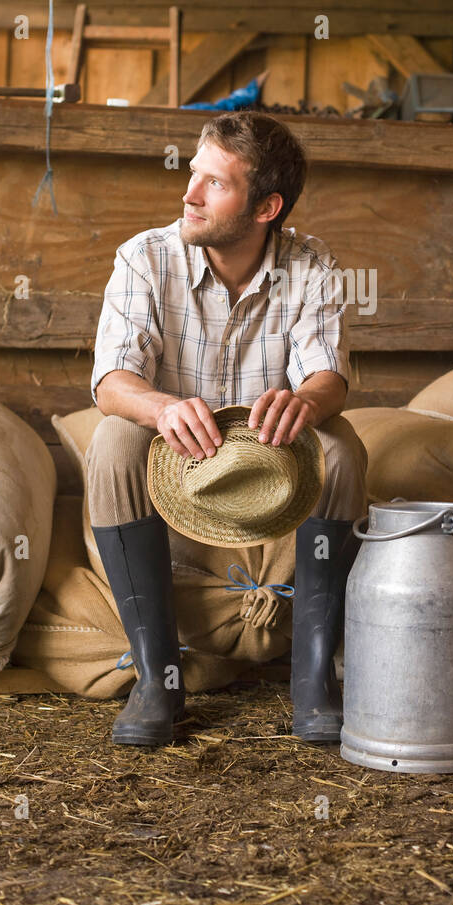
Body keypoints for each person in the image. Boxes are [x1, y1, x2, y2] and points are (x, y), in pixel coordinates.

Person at [86, 111, 368, 749]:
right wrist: (160, 407)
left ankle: (314, 674)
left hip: (270, 459)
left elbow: (329, 375)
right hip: (174, 452)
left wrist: (307, 404)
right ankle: (159, 678)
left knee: (343, 447)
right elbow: (110, 380)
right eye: (194, 175)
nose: (189, 194)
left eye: (215, 184)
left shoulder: (313, 263)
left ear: (267, 207)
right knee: (111, 439)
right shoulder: (144, 257)